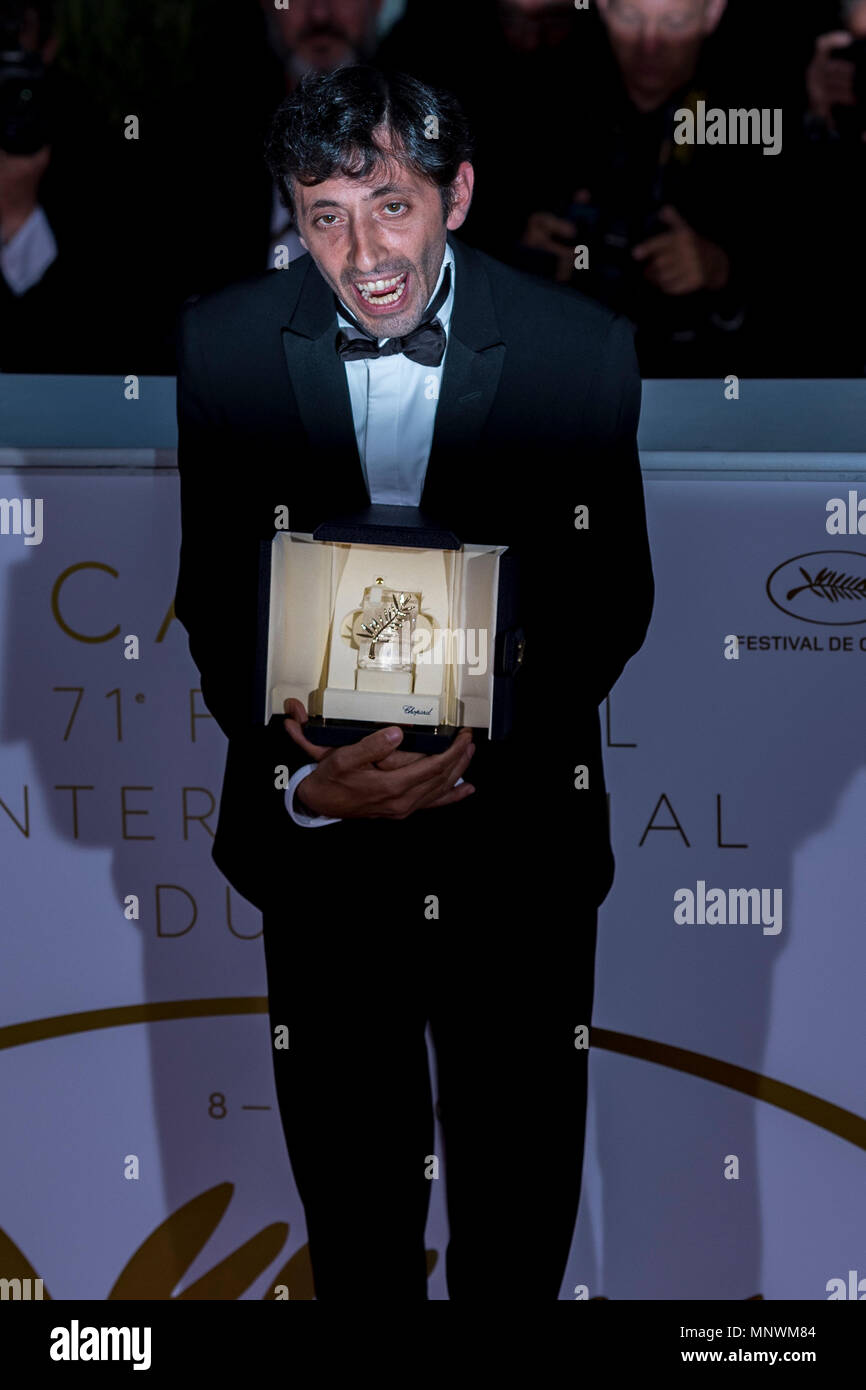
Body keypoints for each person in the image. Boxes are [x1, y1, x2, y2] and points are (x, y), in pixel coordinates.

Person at [174, 65, 654, 1300]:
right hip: (321, 854)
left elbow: (612, 600)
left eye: (390, 204)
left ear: (458, 195)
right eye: (322, 213)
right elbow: (217, 599)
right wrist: (310, 781)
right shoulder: (223, 342)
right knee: (357, 1233)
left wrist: (458, 757)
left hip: (516, 858)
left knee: (514, 1231)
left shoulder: (578, 348)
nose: (360, 249)